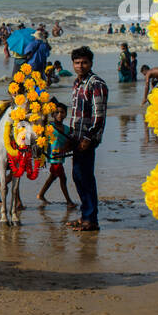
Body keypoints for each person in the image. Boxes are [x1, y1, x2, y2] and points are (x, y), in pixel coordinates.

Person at [66, 47, 107, 232]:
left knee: (85, 177)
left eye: (84, 62)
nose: (80, 66)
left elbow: (99, 115)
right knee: (78, 176)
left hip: (87, 139)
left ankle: (91, 219)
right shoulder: (77, 83)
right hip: (76, 137)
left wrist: (89, 138)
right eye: (77, 63)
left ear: (90, 63)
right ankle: (85, 216)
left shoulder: (95, 83)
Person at [37, 101, 76, 207]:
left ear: (66, 114)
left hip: (60, 157)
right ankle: (69, 201)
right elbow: (42, 142)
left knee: (53, 177)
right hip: (53, 157)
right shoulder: (49, 127)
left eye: (62, 112)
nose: (59, 114)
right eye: (57, 112)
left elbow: (69, 143)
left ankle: (41, 194)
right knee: (63, 178)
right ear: (52, 114)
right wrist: (42, 158)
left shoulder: (67, 129)